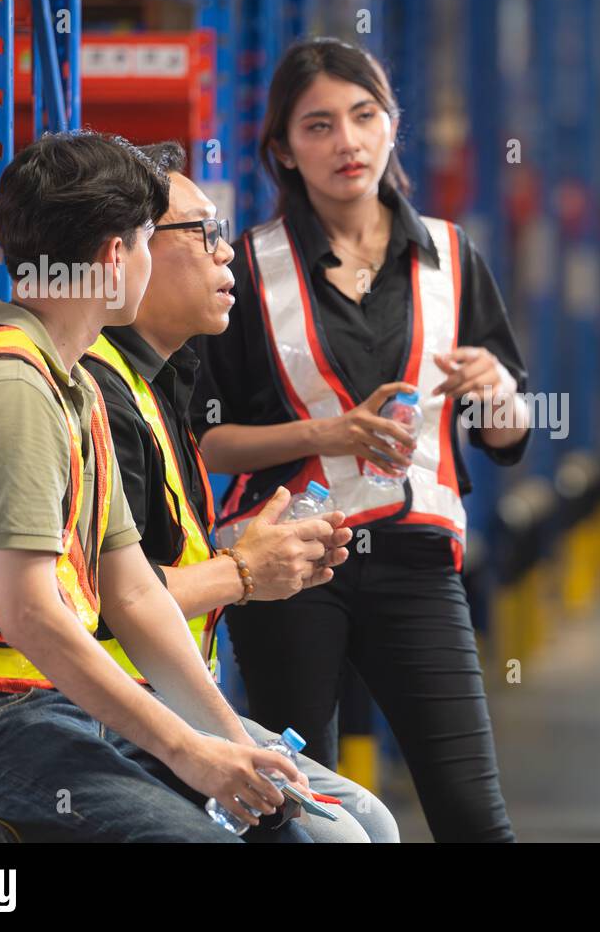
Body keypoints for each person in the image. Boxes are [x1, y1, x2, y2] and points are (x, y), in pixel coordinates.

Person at [0, 131, 308, 842]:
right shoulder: (11, 393)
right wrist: (190, 753)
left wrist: (230, 738)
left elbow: (135, 591)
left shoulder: (74, 384)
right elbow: (32, 616)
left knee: (281, 824)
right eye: (148, 241)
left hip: (49, 703)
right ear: (116, 257)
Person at [191, 37, 530, 842]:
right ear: (282, 149)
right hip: (287, 570)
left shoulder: (453, 257)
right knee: (294, 820)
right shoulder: (244, 267)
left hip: (416, 564)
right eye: (317, 126)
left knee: (473, 816)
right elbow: (204, 444)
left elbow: (505, 436)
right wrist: (326, 431)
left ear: (391, 126)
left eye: (363, 115)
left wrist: (502, 393)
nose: (345, 141)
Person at [81, 140, 398, 841]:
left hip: (167, 693)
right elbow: (107, 603)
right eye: (203, 232)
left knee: (370, 818)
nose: (226, 254)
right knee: (338, 833)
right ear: (126, 249)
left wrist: (250, 553)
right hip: (110, 707)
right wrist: (243, 572)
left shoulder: (160, 381)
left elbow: (149, 563)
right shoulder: (96, 392)